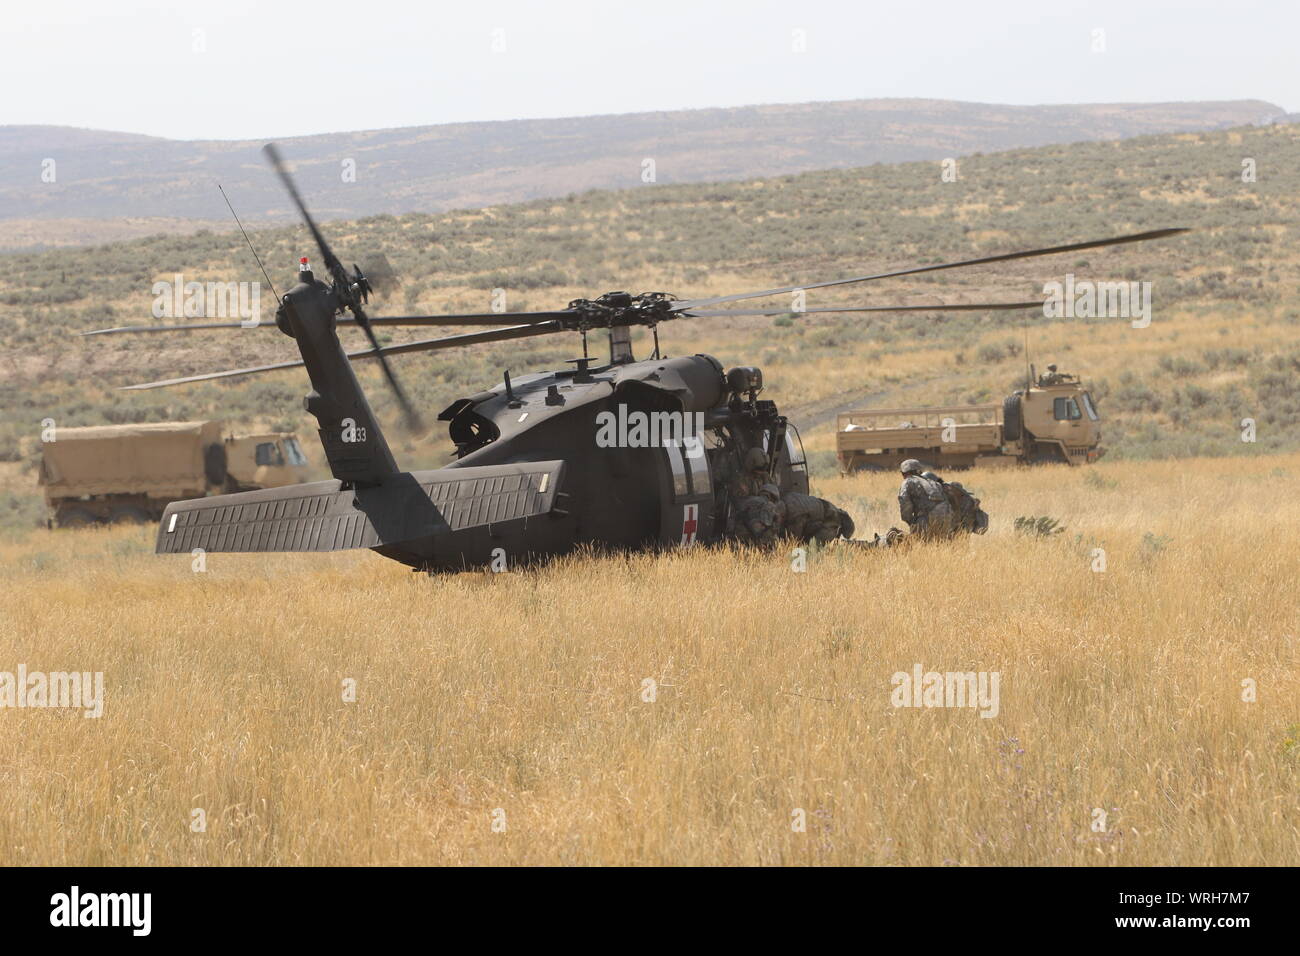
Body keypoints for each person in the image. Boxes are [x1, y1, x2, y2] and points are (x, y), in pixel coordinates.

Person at [779, 485, 855, 544]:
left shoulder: (832, 509)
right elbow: (815, 546)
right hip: (798, 512)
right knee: (791, 545)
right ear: (841, 529)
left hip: (790, 498)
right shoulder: (833, 523)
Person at [897, 459, 954, 538]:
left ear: (904, 473)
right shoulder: (934, 482)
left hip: (926, 520)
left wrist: (911, 521)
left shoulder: (908, 482)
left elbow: (905, 504)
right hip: (947, 519)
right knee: (941, 544)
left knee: (919, 544)